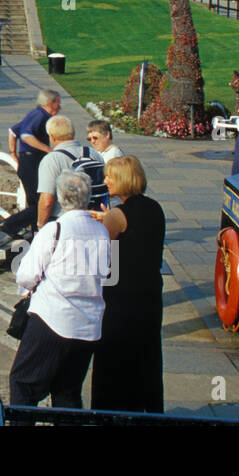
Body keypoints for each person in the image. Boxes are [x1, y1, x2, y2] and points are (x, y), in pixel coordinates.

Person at [8, 170, 111, 410]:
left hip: (53, 318)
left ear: (62, 198)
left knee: (23, 383)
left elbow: (27, 274)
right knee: (67, 392)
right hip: (88, 325)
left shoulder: (54, 230)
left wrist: (28, 289)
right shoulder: (102, 232)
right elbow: (107, 273)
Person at [89, 156, 165, 413]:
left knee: (114, 359)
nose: (106, 181)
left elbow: (102, 249)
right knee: (147, 357)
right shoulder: (154, 207)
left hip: (121, 298)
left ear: (124, 179)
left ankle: (112, 410)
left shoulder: (118, 215)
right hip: (150, 294)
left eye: (111, 176)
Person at [2, 90, 61, 238]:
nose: (60, 107)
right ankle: (9, 225)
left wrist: (13, 152)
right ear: (51, 103)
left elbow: (13, 131)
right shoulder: (41, 116)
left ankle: (36, 233)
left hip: (27, 161)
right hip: (32, 161)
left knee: (34, 200)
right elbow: (27, 136)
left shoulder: (34, 114)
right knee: (39, 203)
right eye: (58, 103)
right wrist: (48, 149)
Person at [34, 116, 107, 227]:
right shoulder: (93, 153)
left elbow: (47, 201)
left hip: (63, 220)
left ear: (52, 137)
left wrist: (41, 226)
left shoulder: (51, 159)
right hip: (94, 218)